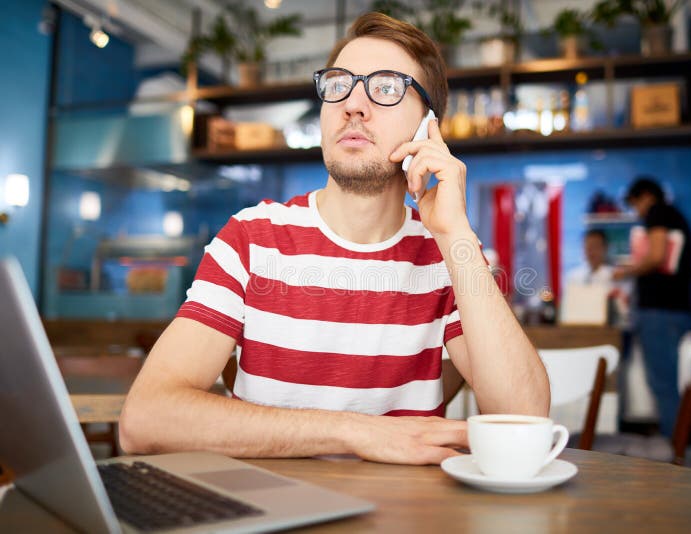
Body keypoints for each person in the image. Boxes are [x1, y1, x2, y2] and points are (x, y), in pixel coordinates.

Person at [120, 12, 550, 466]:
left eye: (386, 88)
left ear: (429, 128)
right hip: (266, 507)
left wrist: (456, 232)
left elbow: (524, 419)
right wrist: (355, 432)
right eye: (338, 84)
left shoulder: (445, 253)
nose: (353, 105)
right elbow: (145, 419)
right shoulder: (251, 237)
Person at [613, 176, 691, 437]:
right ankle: (677, 440)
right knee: (668, 379)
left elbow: (657, 255)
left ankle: (675, 447)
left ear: (646, 196)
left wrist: (626, 272)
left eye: (635, 203)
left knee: (662, 382)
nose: (636, 210)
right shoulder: (676, 216)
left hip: (660, 311)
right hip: (675, 309)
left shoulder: (658, 213)